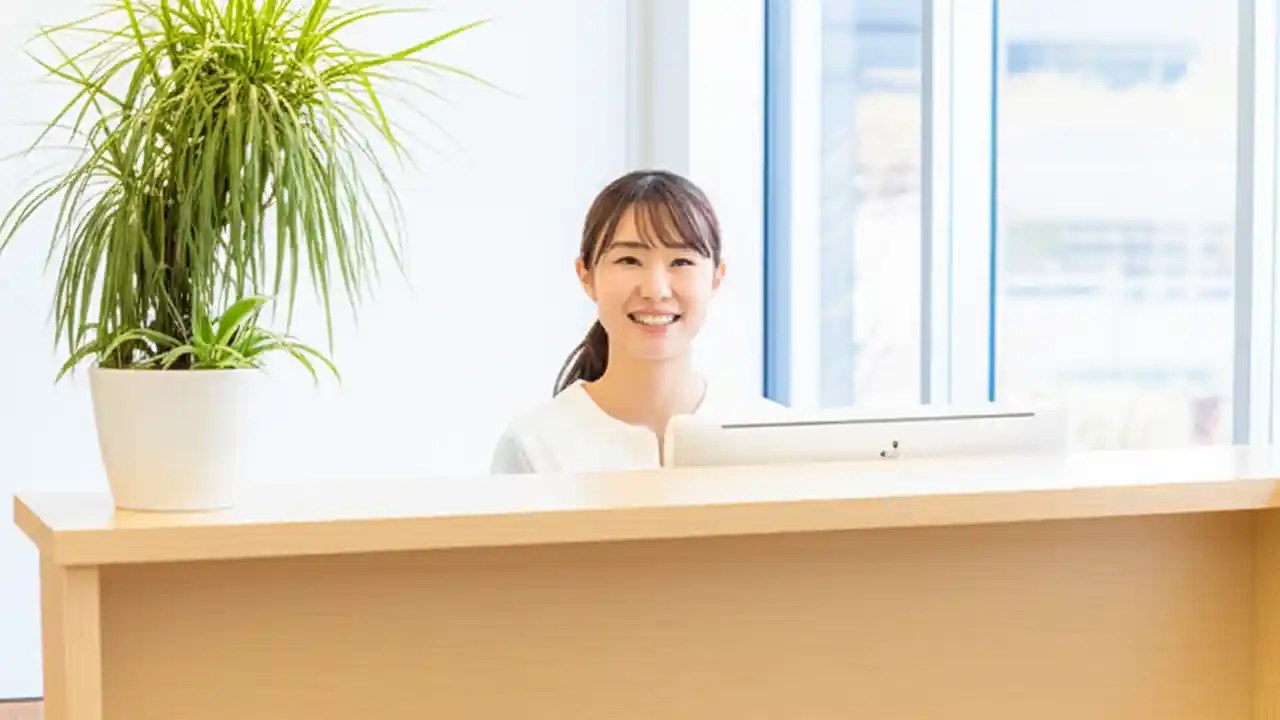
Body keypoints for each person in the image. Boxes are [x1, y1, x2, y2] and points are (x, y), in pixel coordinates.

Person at [490, 169, 783, 475]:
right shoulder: (533, 446)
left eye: (681, 262)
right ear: (586, 275)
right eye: (629, 261)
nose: (656, 290)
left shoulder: (770, 435)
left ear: (716, 278)